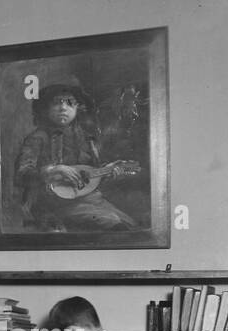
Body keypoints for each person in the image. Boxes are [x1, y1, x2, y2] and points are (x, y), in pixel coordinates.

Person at [15, 83, 137, 232]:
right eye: (56, 103)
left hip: (91, 199)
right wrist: (53, 170)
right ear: (45, 109)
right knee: (113, 223)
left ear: (78, 107)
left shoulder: (87, 138)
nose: (63, 108)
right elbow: (21, 175)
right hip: (53, 203)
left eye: (70, 103)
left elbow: (92, 173)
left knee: (130, 225)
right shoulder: (37, 138)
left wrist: (109, 171)